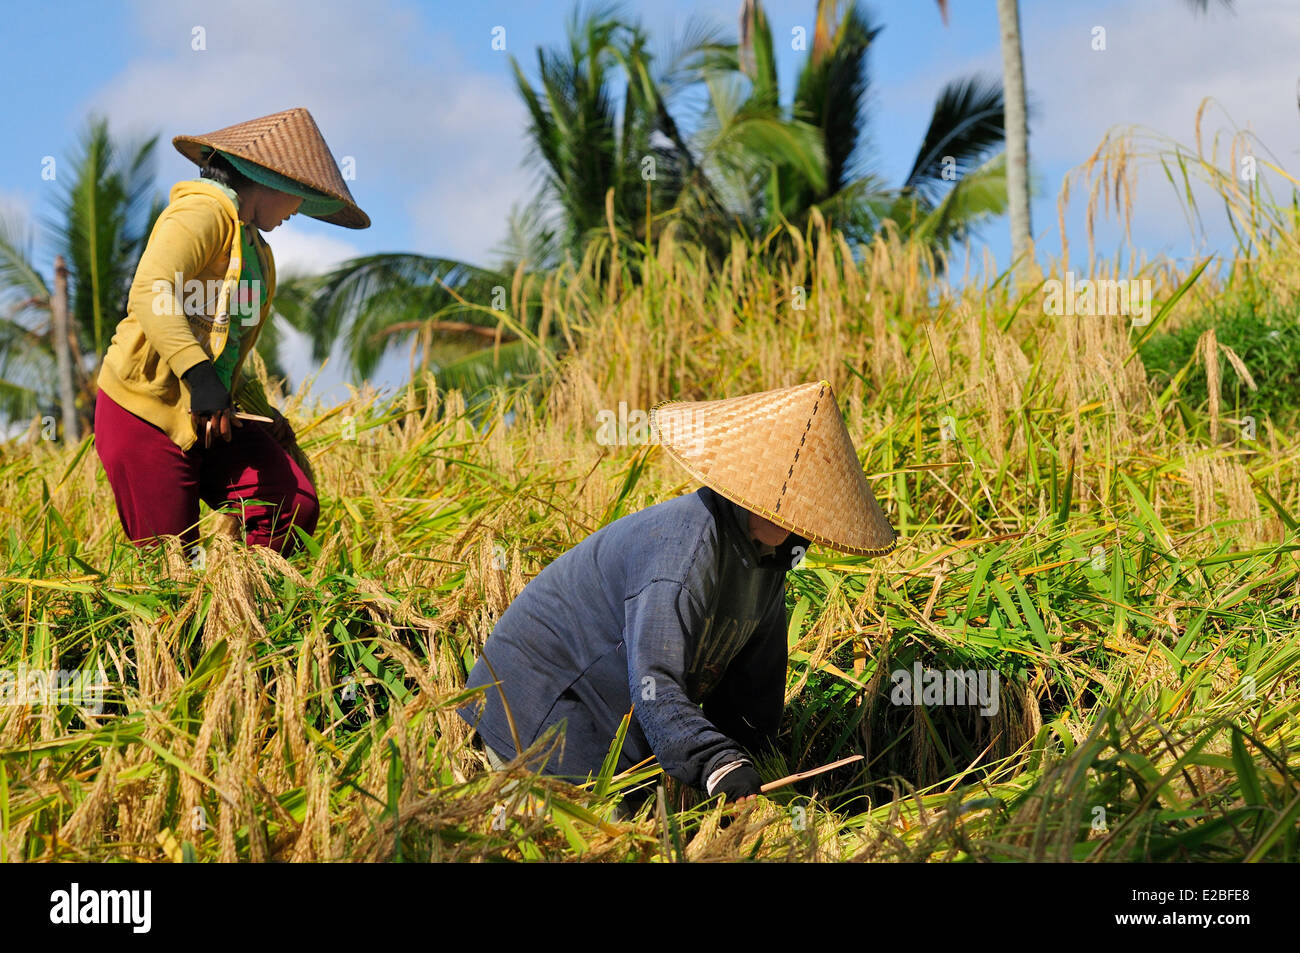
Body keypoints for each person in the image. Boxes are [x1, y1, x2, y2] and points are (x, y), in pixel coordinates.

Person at [458, 380, 897, 809]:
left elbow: (752, 691)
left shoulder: (769, 559)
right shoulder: (683, 551)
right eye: (790, 513)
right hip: (539, 708)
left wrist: (755, 770)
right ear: (750, 494)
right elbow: (654, 679)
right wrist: (716, 764)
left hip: (616, 724)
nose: (801, 530)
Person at [94, 107, 369, 556]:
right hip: (147, 411)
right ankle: (192, 618)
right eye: (299, 197)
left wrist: (261, 409)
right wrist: (199, 378)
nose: (298, 211)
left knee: (289, 502)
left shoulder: (256, 255)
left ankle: (245, 609)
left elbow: (229, 340)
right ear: (271, 180)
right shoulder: (202, 214)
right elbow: (151, 290)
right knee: (172, 564)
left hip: (211, 415)